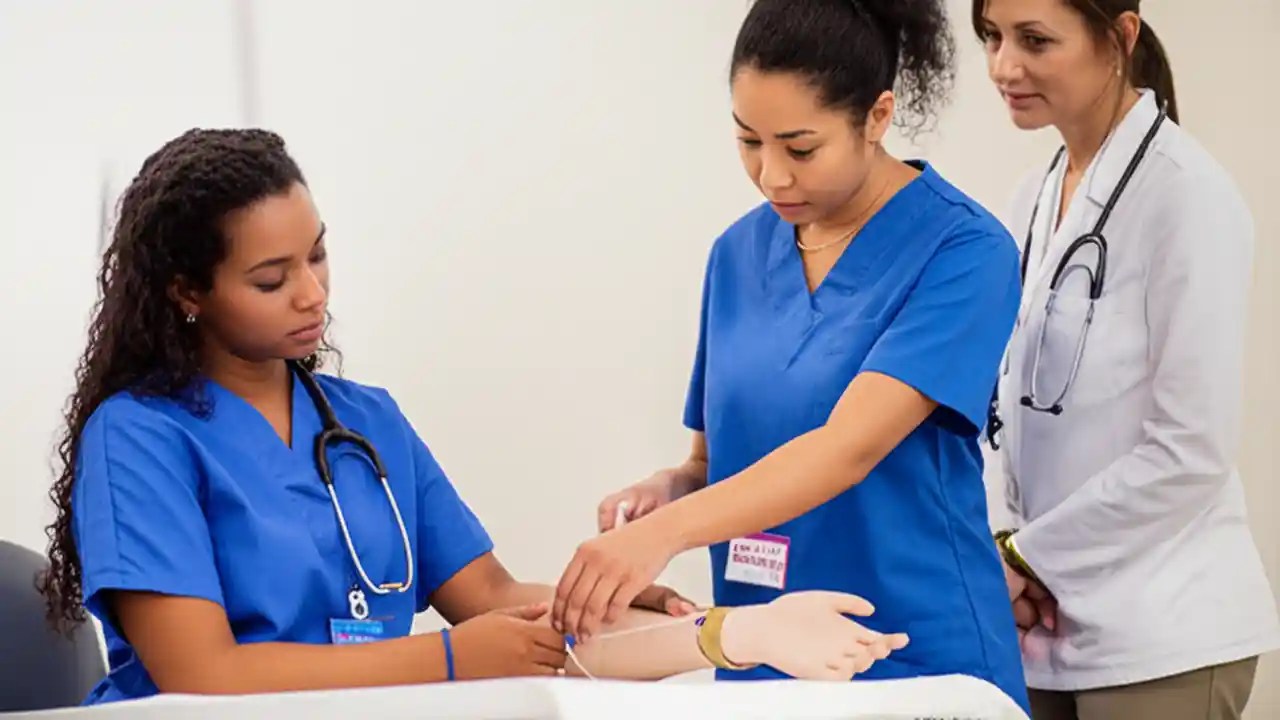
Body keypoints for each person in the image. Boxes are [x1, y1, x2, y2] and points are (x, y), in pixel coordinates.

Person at [37, 128, 908, 705]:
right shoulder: (142, 436)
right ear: (187, 293)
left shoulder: (363, 421)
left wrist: (685, 622)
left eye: (319, 254)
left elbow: (487, 601)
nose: (313, 294)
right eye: (271, 280)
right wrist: (449, 662)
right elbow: (202, 677)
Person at [551, 0, 1030, 712]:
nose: (771, 175)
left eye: (800, 148)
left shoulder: (964, 251)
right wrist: (666, 491)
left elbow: (846, 449)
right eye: (749, 141)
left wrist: (664, 534)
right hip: (762, 663)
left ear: (876, 116)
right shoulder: (736, 255)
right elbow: (714, 465)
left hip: (916, 657)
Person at [973, 1, 1280, 718]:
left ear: (1121, 35)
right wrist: (1004, 544)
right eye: (992, 37)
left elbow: (1190, 450)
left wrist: (1026, 559)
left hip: (1164, 628)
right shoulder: (1031, 200)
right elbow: (1003, 409)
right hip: (1044, 627)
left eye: (1034, 40)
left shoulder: (1188, 196)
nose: (1003, 66)